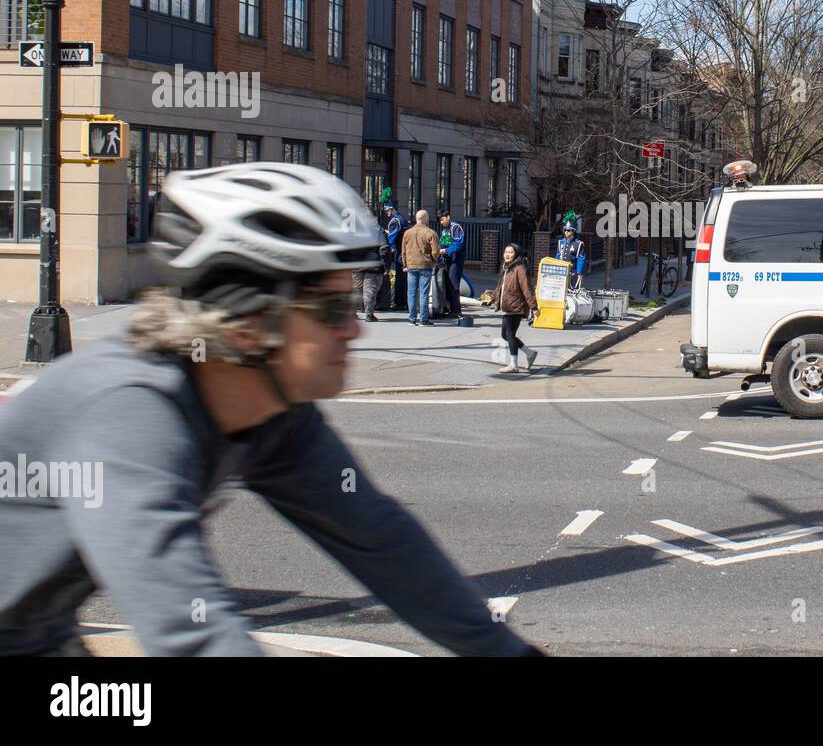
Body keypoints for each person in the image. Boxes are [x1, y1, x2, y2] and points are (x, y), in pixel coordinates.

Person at [0, 162, 540, 657]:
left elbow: (383, 544)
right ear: (244, 322)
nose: (353, 325)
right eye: (330, 308)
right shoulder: (131, 416)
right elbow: (194, 631)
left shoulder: (271, 410)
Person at [483, 243, 538, 374]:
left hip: (516, 307)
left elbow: (527, 288)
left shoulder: (520, 269)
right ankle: (529, 353)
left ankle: (514, 365)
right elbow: (499, 288)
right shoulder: (506, 268)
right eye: (506, 252)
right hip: (508, 306)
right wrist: (491, 299)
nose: (507, 255)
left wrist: (534, 307)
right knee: (505, 334)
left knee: (509, 335)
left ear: (516, 255)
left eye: (511, 252)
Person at [402, 210, 440, 327]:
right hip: (425, 265)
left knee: (411, 293)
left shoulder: (407, 233)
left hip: (411, 266)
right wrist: (434, 260)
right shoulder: (431, 233)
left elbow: (403, 251)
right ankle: (423, 319)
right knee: (424, 293)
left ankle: (412, 319)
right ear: (426, 219)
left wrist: (405, 265)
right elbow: (435, 252)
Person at [436, 211, 467, 318]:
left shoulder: (455, 227)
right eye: (439, 220)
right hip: (448, 260)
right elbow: (443, 244)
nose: (441, 222)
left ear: (448, 217)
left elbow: (459, 245)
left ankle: (456, 311)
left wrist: (445, 251)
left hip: (456, 260)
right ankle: (450, 308)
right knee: (449, 284)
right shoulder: (445, 230)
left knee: (454, 284)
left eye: (442, 219)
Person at [383, 203, 411, 311]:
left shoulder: (396, 220)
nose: (386, 213)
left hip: (400, 252)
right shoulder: (400, 218)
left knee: (401, 278)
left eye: (387, 210)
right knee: (402, 278)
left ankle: (400, 303)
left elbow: (391, 237)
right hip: (401, 251)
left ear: (392, 209)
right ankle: (402, 302)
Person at [557, 220, 586, 289]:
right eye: (565, 230)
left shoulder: (579, 244)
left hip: (572, 272)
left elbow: (581, 259)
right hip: (561, 271)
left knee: (572, 292)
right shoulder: (560, 242)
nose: (566, 232)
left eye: (568, 230)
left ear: (573, 231)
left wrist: (579, 273)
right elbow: (558, 256)